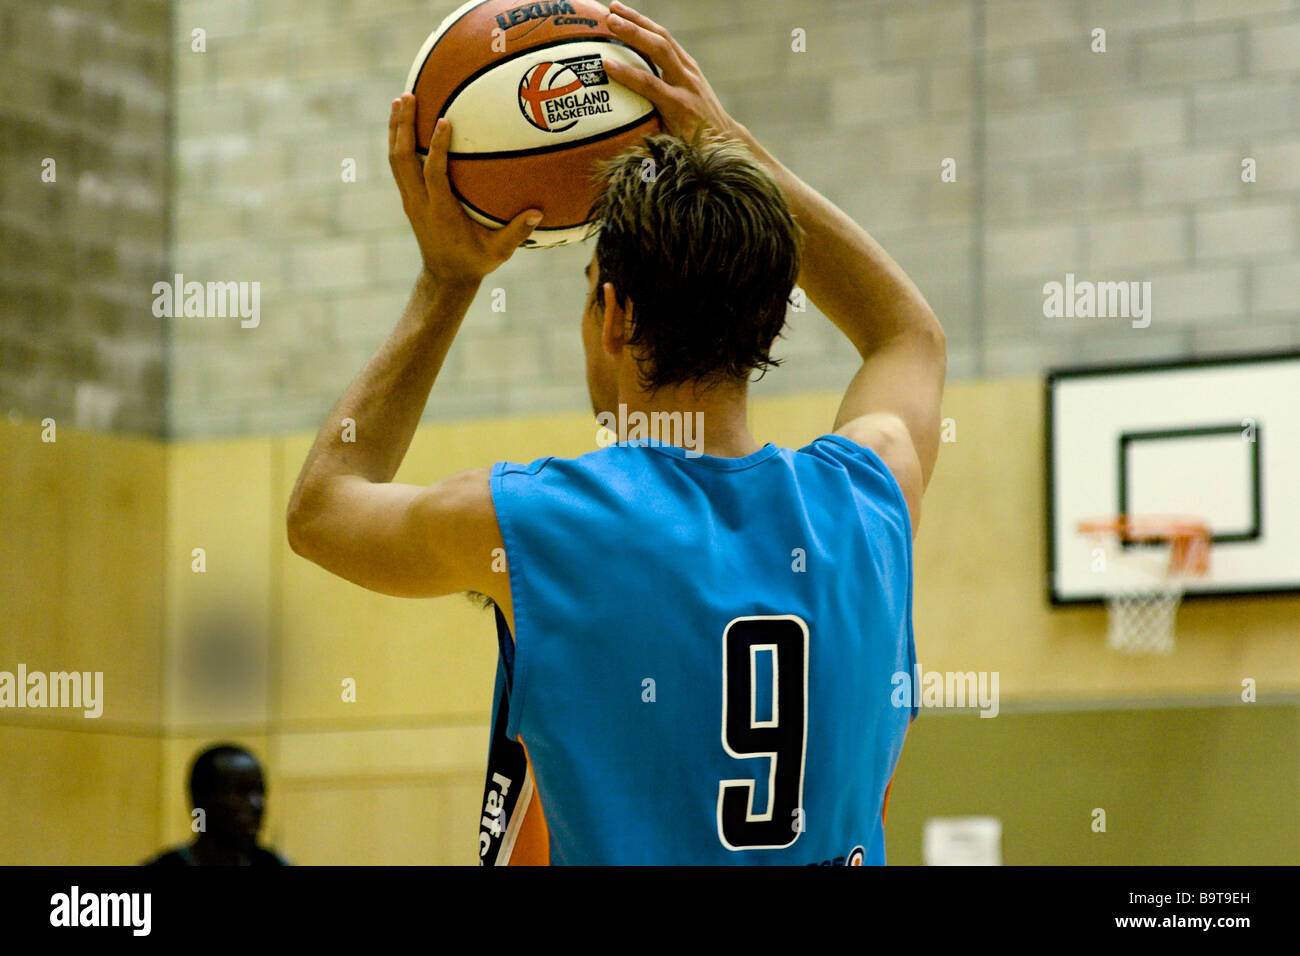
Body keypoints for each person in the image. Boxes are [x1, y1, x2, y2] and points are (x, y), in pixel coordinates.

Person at [286, 0, 945, 865]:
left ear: (615, 316)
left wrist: (446, 283)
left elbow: (323, 507)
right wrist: (732, 147)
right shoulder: (871, 496)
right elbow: (907, 333)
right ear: (770, 322)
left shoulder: (539, 525)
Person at [143, 744, 289, 866]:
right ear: (202, 800)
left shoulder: (273, 863)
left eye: (260, 792)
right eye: (241, 793)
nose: (257, 803)